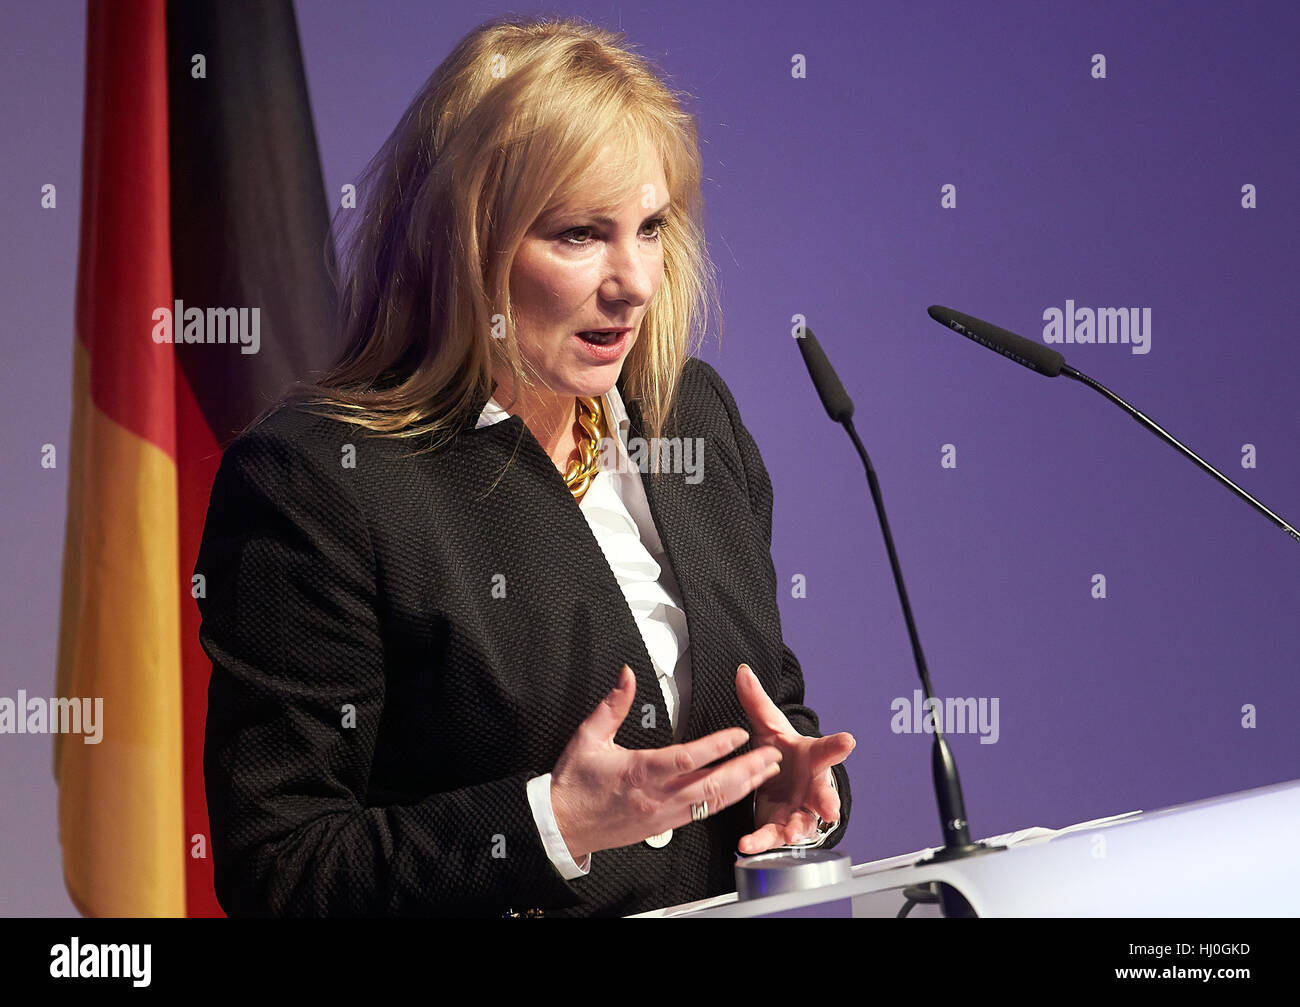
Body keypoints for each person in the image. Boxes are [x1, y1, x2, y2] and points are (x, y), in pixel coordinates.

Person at [195, 13, 855, 918]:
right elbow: (282, 867)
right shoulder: (317, 481)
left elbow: (768, 704)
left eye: (652, 226)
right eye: (581, 234)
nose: (635, 282)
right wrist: (550, 822)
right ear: (464, 242)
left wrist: (785, 794)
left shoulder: (687, 416)